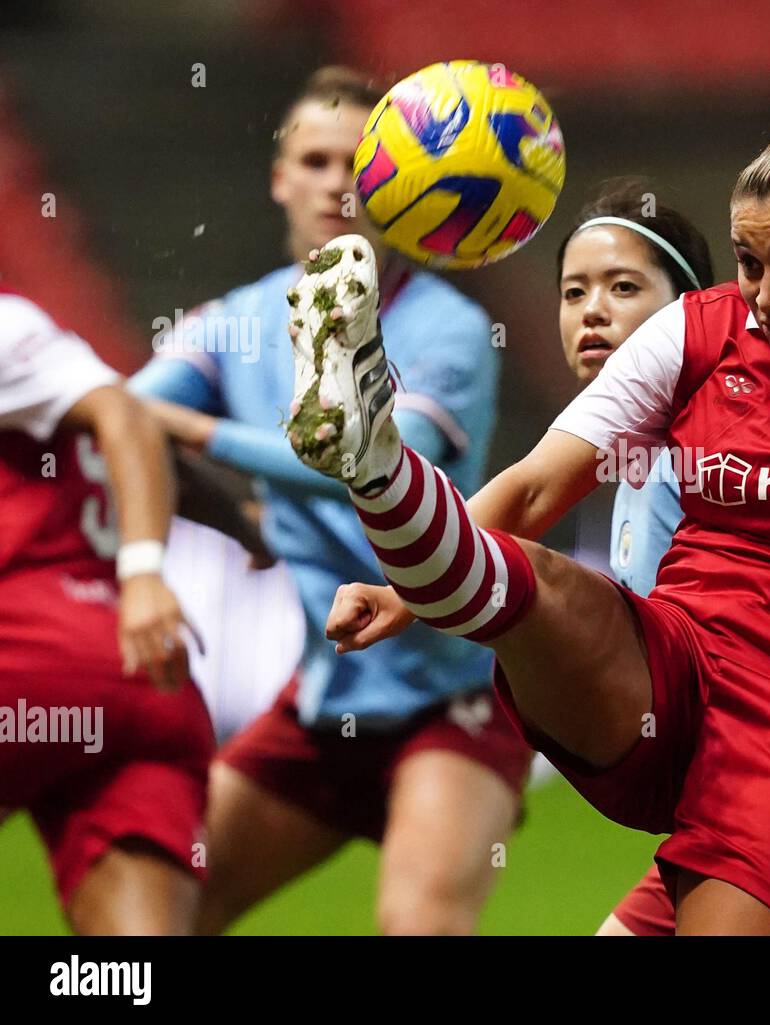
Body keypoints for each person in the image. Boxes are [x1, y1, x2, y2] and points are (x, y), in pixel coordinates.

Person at [303, 130, 770, 935]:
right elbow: (536, 483)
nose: (767, 294)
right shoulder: (697, 330)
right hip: (676, 664)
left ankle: (386, 474)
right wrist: (408, 590)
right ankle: (379, 466)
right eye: (749, 262)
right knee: (539, 585)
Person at [130, 66, 531, 935]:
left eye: (360, 162)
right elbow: (123, 422)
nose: (338, 181)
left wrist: (200, 436)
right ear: (280, 178)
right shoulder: (233, 321)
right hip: (325, 699)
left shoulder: (446, 326)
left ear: (395, 185)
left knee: (417, 926)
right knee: (160, 910)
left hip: (453, 689)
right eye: (315, 158)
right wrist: (232, 519)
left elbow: (385, 458)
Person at [551, 180, 770, 935]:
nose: (593, 309)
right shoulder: (627, 463)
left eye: (623, 287)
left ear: (688, 312)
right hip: (736, 825)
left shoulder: (715, 460)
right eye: (573, 290)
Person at [0, 287, 214, 934]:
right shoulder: (32, 337)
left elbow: (127, 416)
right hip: (138, 676)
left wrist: (145, 569)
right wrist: (249, 528)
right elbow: (131, 424)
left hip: (28, 654)